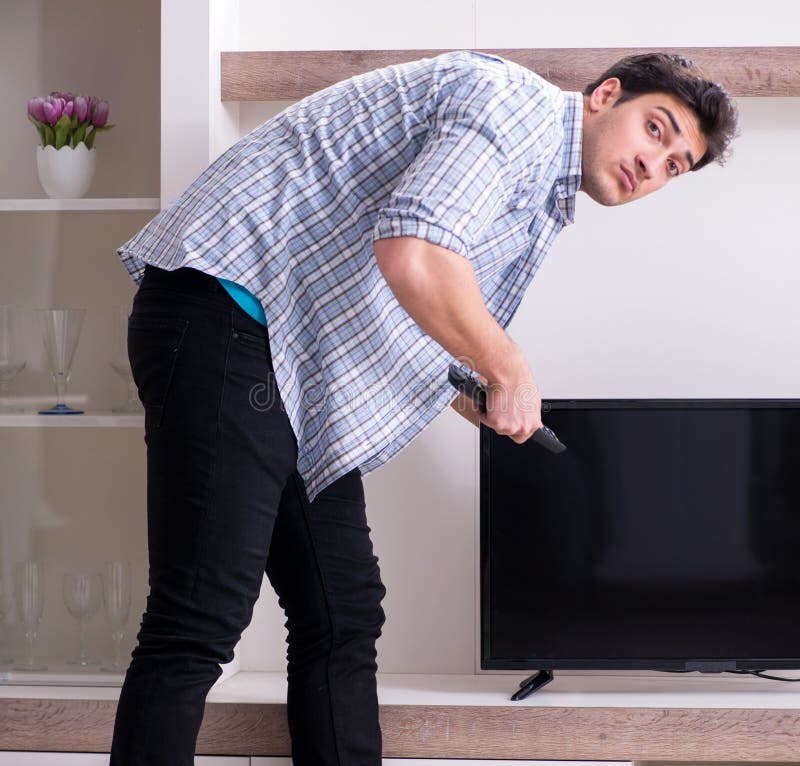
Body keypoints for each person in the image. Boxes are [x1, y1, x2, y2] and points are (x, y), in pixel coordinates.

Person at [109, 50, 738, 764]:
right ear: (606, 95)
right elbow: (413, 248)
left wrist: (468, 381)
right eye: (656, 131)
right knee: (199, 617)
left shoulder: (544, 193)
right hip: (231, 310)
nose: (654, 166)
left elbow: (418, 294)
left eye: (676, 165)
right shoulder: (515, 110)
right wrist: (505, 364)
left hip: (290, 358)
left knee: (343, 612)